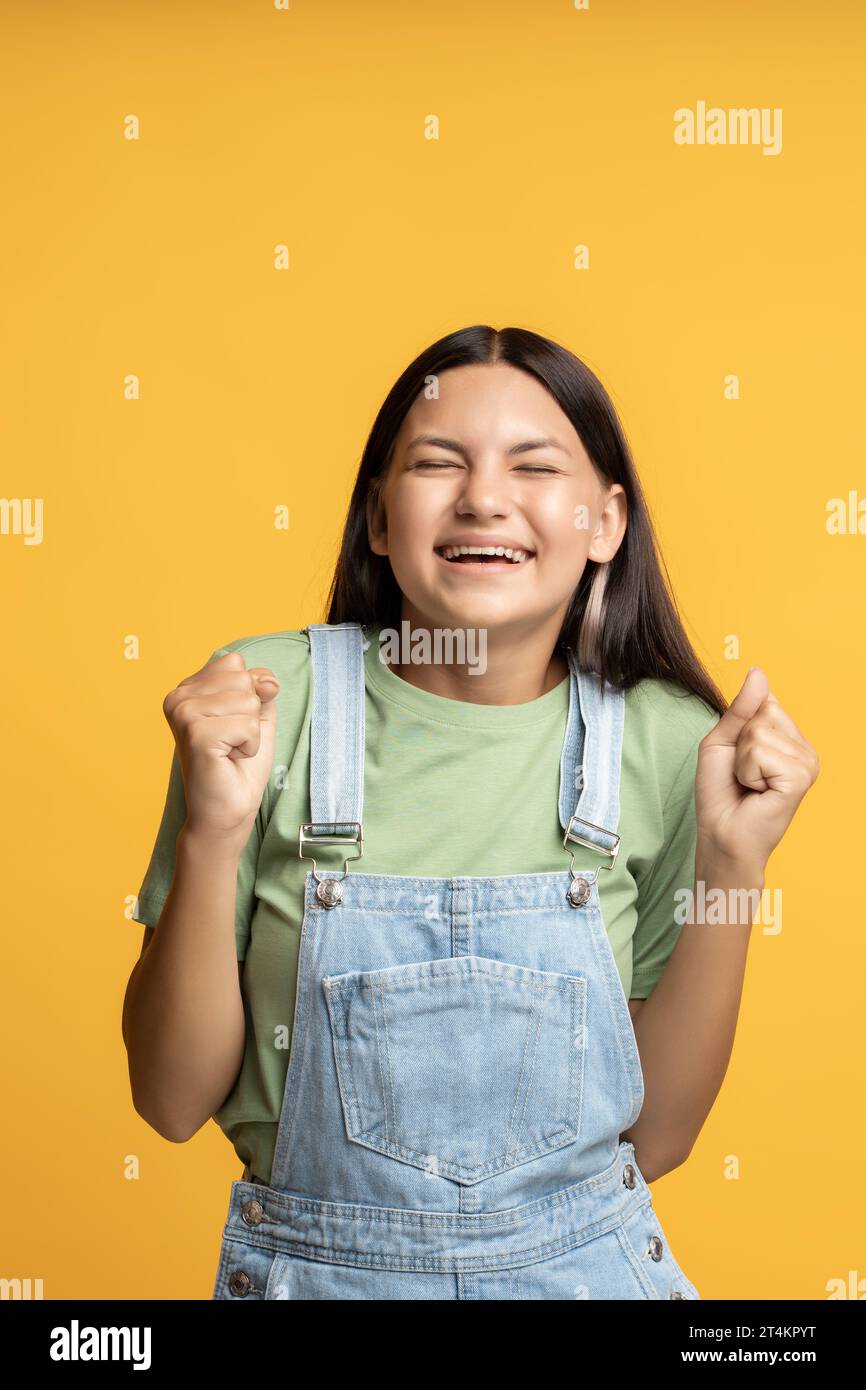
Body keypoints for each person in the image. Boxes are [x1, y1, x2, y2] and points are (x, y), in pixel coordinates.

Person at [122, 324, 819, 1300]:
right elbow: (168, 1097)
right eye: (436, 463)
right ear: (377, 515)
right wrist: (213, 833)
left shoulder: (669, 746)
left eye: (532, 466)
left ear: (604, 521)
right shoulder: (264, 705)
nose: (483, 496)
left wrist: (734, 865)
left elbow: (655, 1139)